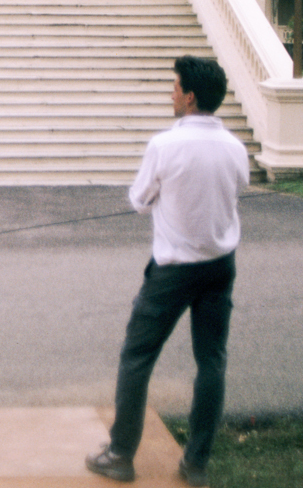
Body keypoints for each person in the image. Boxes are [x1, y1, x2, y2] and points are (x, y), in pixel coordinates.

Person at [86, 55, 250, 487]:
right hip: (220, 266)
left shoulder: (165, 145)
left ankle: (121, 454)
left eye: (175, 87)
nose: (171, 94)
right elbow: (237, 190)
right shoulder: (235, 147)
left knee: (137, 357)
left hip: (173, 269)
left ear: (190, 97)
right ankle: (196, 464)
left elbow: (140, 200)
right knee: (211, 361)